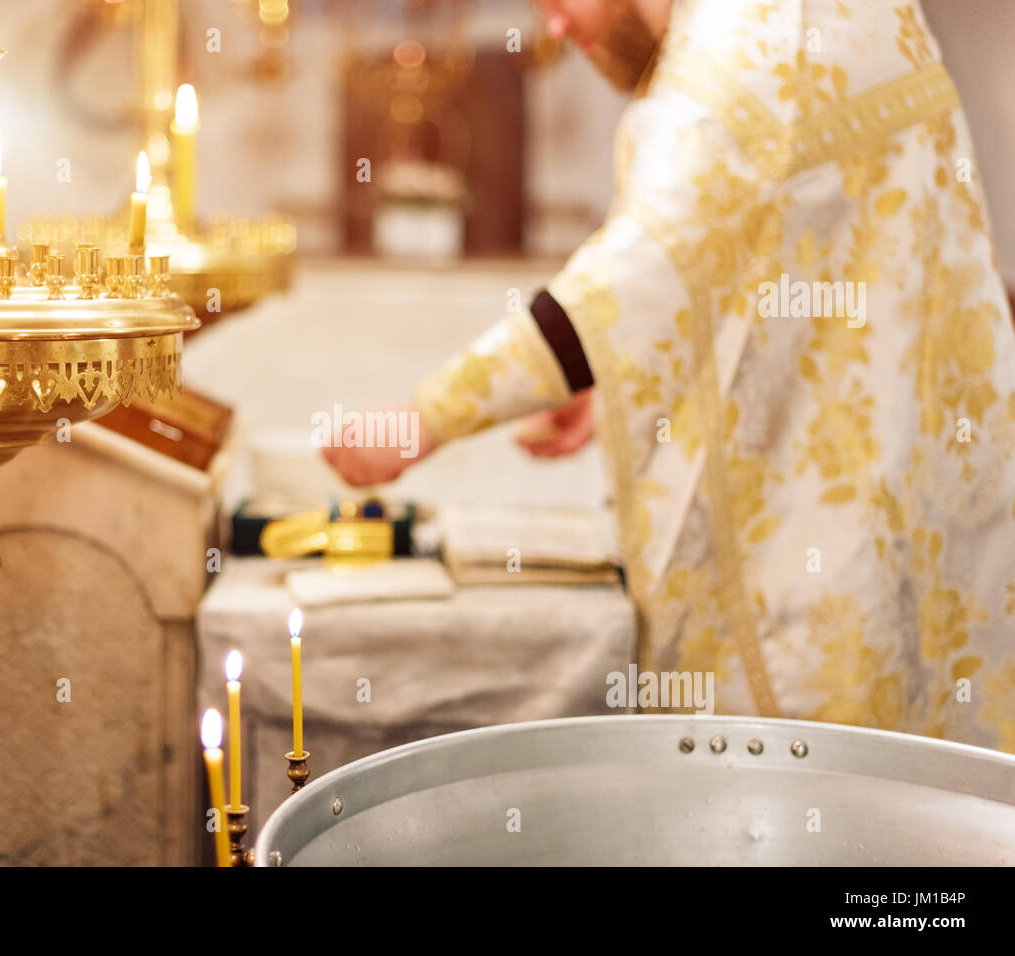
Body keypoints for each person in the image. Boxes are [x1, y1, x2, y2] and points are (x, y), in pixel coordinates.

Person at [322, 0, 1015, 753]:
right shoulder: (833, 14)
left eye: (556, 0)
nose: (554, 28)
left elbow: (641, 267)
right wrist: (620, 370)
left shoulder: (743, 44)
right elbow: (784, 258)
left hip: (819, 581)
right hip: (937, 536)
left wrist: (423, 419)